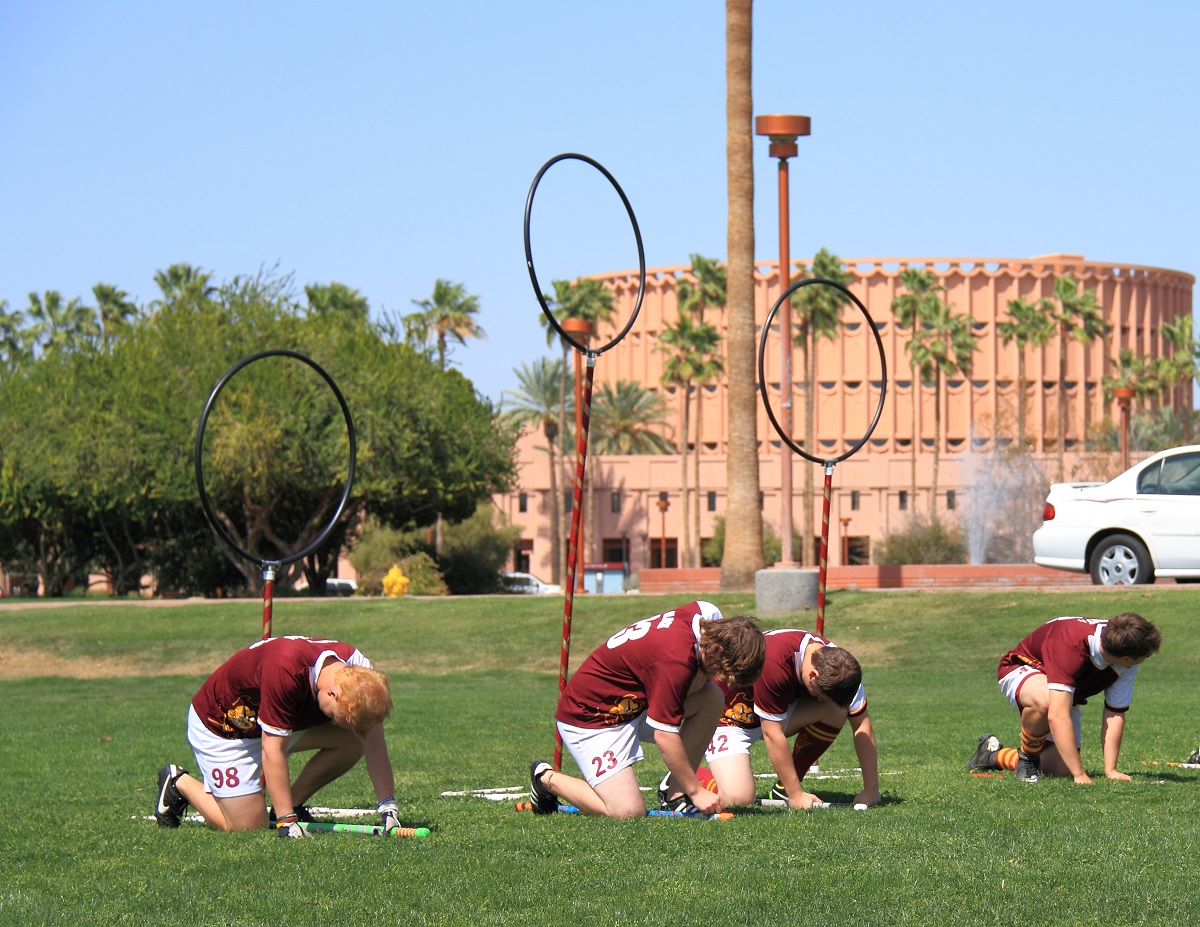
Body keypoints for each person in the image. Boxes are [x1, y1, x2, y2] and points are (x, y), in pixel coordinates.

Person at [527, 600, 766, 819]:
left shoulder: (706, 615)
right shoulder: (675, 662)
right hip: (592, 716)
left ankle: (675, 794)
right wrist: (698, 791)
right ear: (720, 653)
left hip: (634, 705)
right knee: (627, 811)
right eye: (723, 672)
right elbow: (665, 735)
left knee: (712, 697)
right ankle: (546, 779)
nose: (721, 678)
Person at [153, 635, 400, 837]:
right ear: (333, 694)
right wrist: (287, 823)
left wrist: (388, 808)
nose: (339, 725)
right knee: (247, 826)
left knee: (353, 741)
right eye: (339, 719)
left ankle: (292, 802)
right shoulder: (286, 671)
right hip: (223, 728)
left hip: (274, 724)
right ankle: (178, 782)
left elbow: (372, 740)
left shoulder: (361, 675)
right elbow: (273, 750)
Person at [967, 612, 1162, 784]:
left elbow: (1115, 713)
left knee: (1060, 768)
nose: (1144, 660)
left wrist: (1111, 770)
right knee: (1046, 702)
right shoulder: (1071, 643)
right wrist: (1080, 775)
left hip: (1063, 692)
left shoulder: (1123, 651)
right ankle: (1027, 759)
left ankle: (991, 756)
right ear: (1128, 658)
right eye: (1144, 657)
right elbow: (1057, 715)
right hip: (1023, 668)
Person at [701, 627, 881, 810]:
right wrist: (796, 795)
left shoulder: (844, 670)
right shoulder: (775, 660)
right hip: (729, 718)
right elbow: (772, 733)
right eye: (818, 695)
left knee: (836, 710)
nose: (818, 700)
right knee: (737, 798)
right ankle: (686, 780)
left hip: (774, 715)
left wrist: (871, 790)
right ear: (813, 675)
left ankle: (782, 790)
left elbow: (862, 726)